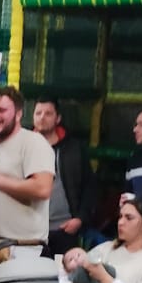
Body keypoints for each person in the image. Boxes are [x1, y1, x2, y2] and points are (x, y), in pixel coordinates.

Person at [0, 85, 56, 248]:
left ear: (18, 114)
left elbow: (42, 189)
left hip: (21, 249)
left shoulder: (33, 142)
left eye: (2, 110)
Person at [34, 95, 92, 251]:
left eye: (48, 113)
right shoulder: (24, 148)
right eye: (38, 113)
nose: (42, 118)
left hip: (64, 228)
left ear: (58, 118)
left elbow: (90, 186)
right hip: (31, 230)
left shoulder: (74, 148)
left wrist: (80, 219)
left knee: (63, 274)